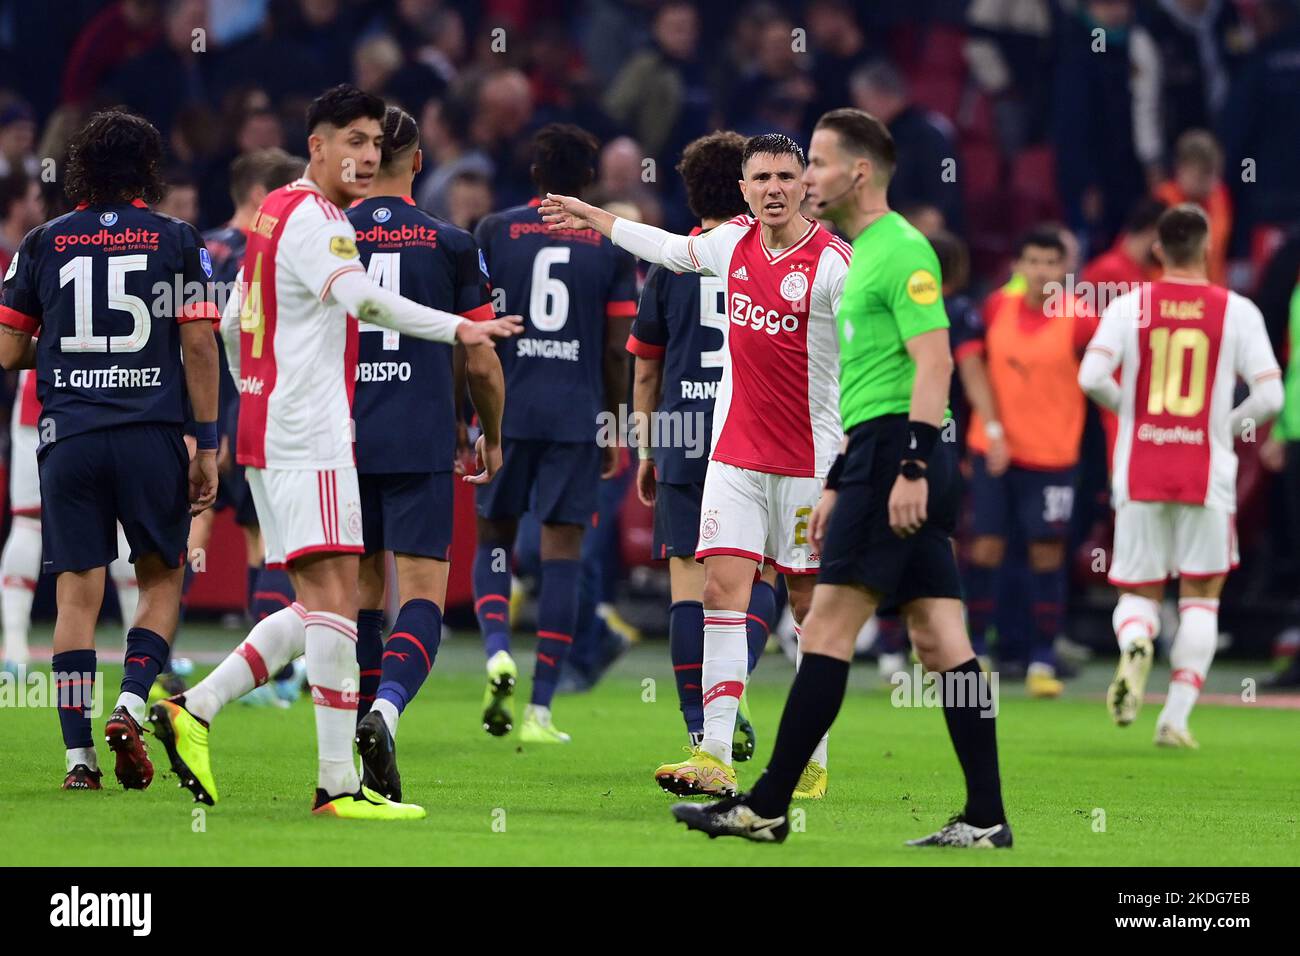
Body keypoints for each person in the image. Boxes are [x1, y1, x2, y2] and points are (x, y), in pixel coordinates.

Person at [147, 85, 521, 820]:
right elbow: (367, 302)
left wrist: (251, 388)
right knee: (338, 610)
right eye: (351, 141)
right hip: (311, 432)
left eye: (373, 145)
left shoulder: (275, 211)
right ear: (316, 145)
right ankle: (334, 787)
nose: (364, 156)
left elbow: (227, 323)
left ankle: (199, 708)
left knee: (329, 604)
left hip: (276, 428)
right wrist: (461, 330)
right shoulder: (319, 221)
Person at [671, 108, 1012, 848]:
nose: (805, 178)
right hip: (869, 458)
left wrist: (912, 462)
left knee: (824, 625)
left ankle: (764, 804)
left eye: (817, 164)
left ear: (857, 172)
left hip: (895, 461)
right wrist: (842, 475)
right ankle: (986, 815)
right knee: (940, 638)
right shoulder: (863, 249)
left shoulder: (893, 253)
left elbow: (935, 362)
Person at [541, 131, 850, 798]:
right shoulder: (729, 243)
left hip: (808, 460)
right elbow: (663, 247)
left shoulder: (833, 266)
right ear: (742, 188)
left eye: (785, 177)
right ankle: (713, 751)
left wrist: (856, 461)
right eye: (760, 177)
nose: (773, 188)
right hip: (734, 454)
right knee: (719, 591)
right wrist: (591, 215)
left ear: (805, 186)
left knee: (809, 609)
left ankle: (813, 759)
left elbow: (863, 367)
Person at [0, 109, 221, 791]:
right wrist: (207, 441)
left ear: (77, 170)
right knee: (159, 579)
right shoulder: (178, 239)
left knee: (75, 595)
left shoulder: (42, 241)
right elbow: (199, 344)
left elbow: (9, 349)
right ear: (148, 170)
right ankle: (129, 702)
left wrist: (64, 349)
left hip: (68, 437)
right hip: (150, 433)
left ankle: (78, 761)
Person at [1079, 203, 1282, 747]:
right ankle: (1175, 716)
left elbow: (1091, 374)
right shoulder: (1236, 310)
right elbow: (1271, 395)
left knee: (1140, 592)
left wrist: (1130, 413)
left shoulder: (1130, 305)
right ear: (1208, 246)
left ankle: (1137, 642)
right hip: (1206, 470)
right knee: (1200, 596)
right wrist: (1226, 426)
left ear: (1158, 250)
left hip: (1140, 463)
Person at [349, 106, 505, 801]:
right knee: (421, 599)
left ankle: (349, 747)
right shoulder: (451, 243)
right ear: (418, 161)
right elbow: (479, 356)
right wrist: (489, 432)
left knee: (353, 599)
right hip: (419, 435)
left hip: (339, 435)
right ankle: (384, 713)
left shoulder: (325, 235)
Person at [471, 123, 637, 743]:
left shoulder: (494, 230)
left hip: (507, 412)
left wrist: (473, 416)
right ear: (588, 180)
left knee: (494, 537)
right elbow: (619, 350)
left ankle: (495, 651)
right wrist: (613, 423)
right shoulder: (608, 248)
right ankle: (541, 709)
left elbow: (477, 332)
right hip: (575, 414)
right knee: (565, 555)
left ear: (536, 175)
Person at [626, 131, 780, 769]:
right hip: (760, 430)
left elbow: (645, 370)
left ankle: (701, 732)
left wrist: (644, 447)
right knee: (763, 575)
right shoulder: (777, 255)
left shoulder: (673, 263)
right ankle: (733, 684)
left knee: (690, 586)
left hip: (685, 434)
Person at [962, 226, 1095, 695]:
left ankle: (1043, 658)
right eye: (1032, 261)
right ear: (1018, 266)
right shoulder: (996, 307)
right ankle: (975, 651)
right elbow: (970, 367)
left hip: (1053, 454)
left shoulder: (1081, 320)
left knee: (1046, 553)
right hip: (993, 450)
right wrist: (986, 432)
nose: (1041, 271)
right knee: (986, 547)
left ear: (1064, 270)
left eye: (1050, 263)